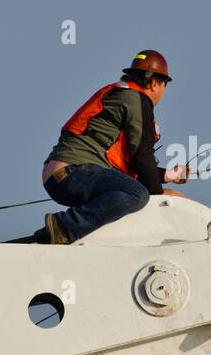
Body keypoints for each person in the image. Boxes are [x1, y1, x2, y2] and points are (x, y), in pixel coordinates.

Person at [37, 50, 189, 244]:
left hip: (60, 174)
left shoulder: (120, 94)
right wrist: (159, 194)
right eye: (164, 85)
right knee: (138, 194)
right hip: (74, 171)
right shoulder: (138, 99)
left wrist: (167, 175)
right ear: (154, 83)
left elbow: (127, 165)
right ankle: (64, 226)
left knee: (131, 191)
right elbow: (141, 156)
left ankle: (67, 233)